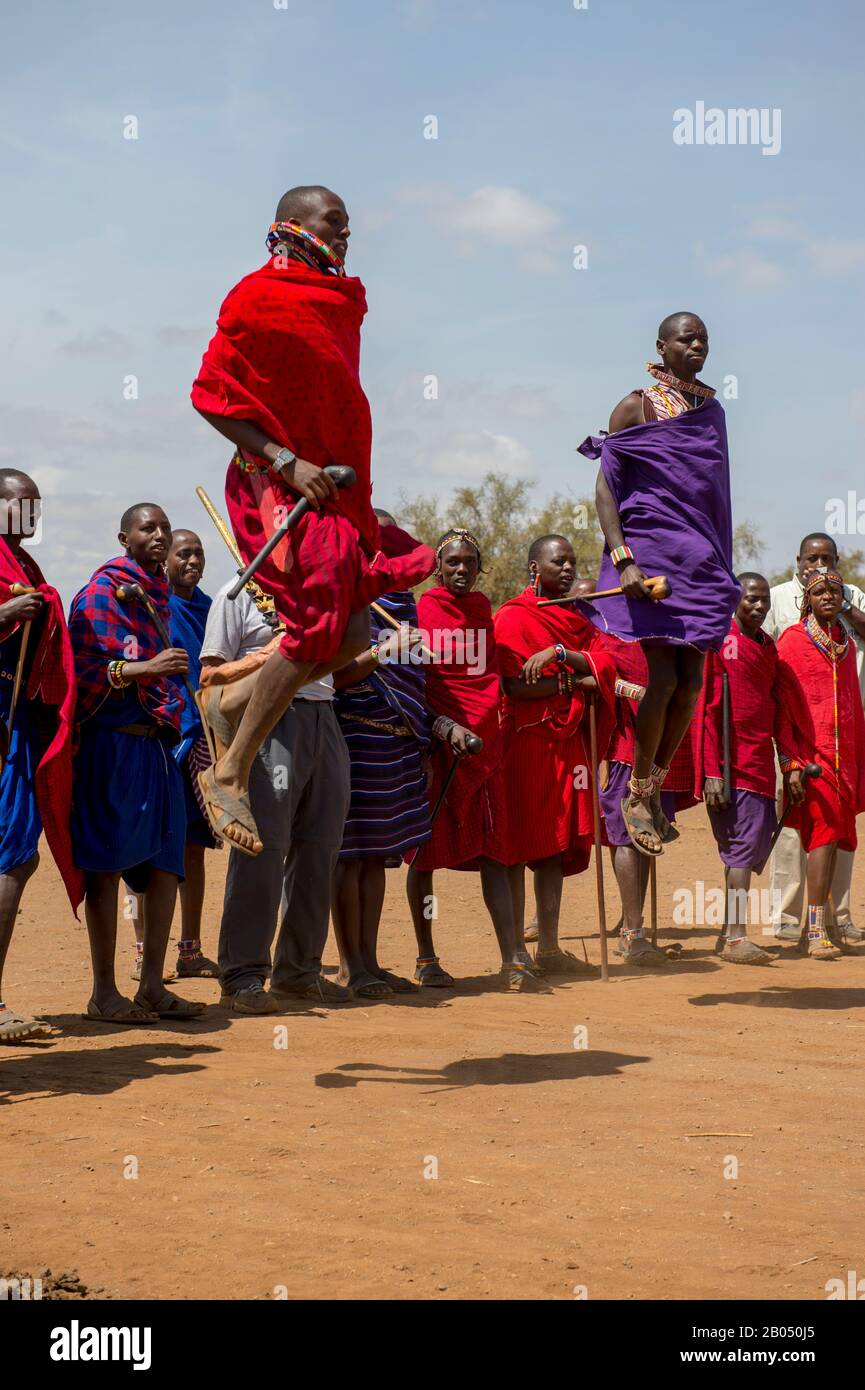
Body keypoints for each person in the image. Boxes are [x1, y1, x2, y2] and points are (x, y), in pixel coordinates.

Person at [191, 185, 434, 854]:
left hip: (339, 489)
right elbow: (210, 396)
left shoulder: (335, 301)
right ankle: (231, 768)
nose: (347, 233)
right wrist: (286, 460)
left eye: (350, 223)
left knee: (351, 633)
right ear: (291, 224)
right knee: (322, 623)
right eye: (335, 222)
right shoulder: (255, 297)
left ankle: (228, 703)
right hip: (282, 483)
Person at [577, 313, 740, 857]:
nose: (696, 345)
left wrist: (721, 565)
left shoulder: (711, 413)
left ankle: (654, 786)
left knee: (692, 681)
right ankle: (638, 792)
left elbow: (716, 497)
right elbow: (606, 486)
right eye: (686, 338)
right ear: (661, 347)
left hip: (699, 561)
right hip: (651, 559)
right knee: (664, 679)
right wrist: (623, 562)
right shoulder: (636, 406)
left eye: (703, 339)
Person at [68, 504, 204, 1024]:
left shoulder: (159, 598)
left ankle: (152, 985)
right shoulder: (102, 592)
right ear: (124, 537)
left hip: (157, 746)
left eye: (165, 528)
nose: (160, 535)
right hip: (111, 745)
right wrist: (147, 667)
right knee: (105, 867)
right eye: (149, 528)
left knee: (168, 866)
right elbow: (80, 672)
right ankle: (104, 992)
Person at [198, 574, 352, 1012]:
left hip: (324, 717)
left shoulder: (319, 588)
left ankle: (299, 973)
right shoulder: (238, 590)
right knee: (265, 847)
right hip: (268, 721)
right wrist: (267, 656)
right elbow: (210, 676)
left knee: (321, 847)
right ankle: (243, 975)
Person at [405, 529, 545, 992]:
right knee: (424, 857)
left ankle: (512, 960)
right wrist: (437, 731)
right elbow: (417, 680)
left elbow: (490, 677)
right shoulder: (422, 610)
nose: (461, 569)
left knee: (495, 853)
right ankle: (426, 957)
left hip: (485, 744)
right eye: (453, 562)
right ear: (438, 568)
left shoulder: (484, 609)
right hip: (434, 743)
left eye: (469, 561)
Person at [494, 535, 616, 977]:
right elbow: (514, 685)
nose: (568, 569)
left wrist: (562, 655)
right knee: (518, 845)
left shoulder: (577, 619)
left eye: (571, 562)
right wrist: (570, 680)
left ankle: (548, 946)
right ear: (535, 568)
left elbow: (605, 664)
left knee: (554, 846)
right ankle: (515, 954)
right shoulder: (512, 617)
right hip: (525, 744)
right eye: (558, 562)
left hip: (567, 746)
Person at [0, 469, 81, 1041]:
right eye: (19, 504)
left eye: (36, 506)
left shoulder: (26, 570)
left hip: (11, 730)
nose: (31, 515)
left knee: (16, 858)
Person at [127, 529, 220, 982]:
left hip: (204, 737)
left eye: (198, 553)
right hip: (168, 738)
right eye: (184, 554)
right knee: (150, 847)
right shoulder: (152, 604)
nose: (192, 561)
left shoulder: (211, 607)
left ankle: (190, 949)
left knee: (194, 848)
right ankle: (145, 951)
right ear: (167, 562)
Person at [764, 533, 865, 943]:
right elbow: (771, 675)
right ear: (799, 561)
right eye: (811, 560)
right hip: (799, 745)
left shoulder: (849, 607)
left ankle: (834, 918)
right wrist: (789, 759)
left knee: (841, 831)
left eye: (826, 560)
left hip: (849, 740)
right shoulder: (777, 602)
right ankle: (789, 920)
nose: (817, 566)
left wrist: (845, 606)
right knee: (794, 830)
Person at [693, 575, 779, 964]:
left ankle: (730, 931)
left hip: (761, 761)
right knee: (740, 850)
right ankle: (735, 937)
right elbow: (707, 709)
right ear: (735, 601)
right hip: (730, 765)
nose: (759, 607)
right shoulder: (719, 641)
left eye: (764, 601)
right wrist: (711, 770)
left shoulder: (768, 648)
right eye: (751, 600)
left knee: (749, 848)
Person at [596, 630, 696, 966]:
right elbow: (595, 673)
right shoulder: (610, 630)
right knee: (627, 837)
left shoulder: (663, 635)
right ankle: (633, 933)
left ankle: (630, 927)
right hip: (624, 744)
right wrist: (633, 691)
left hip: (656, 754)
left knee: (648, 838)